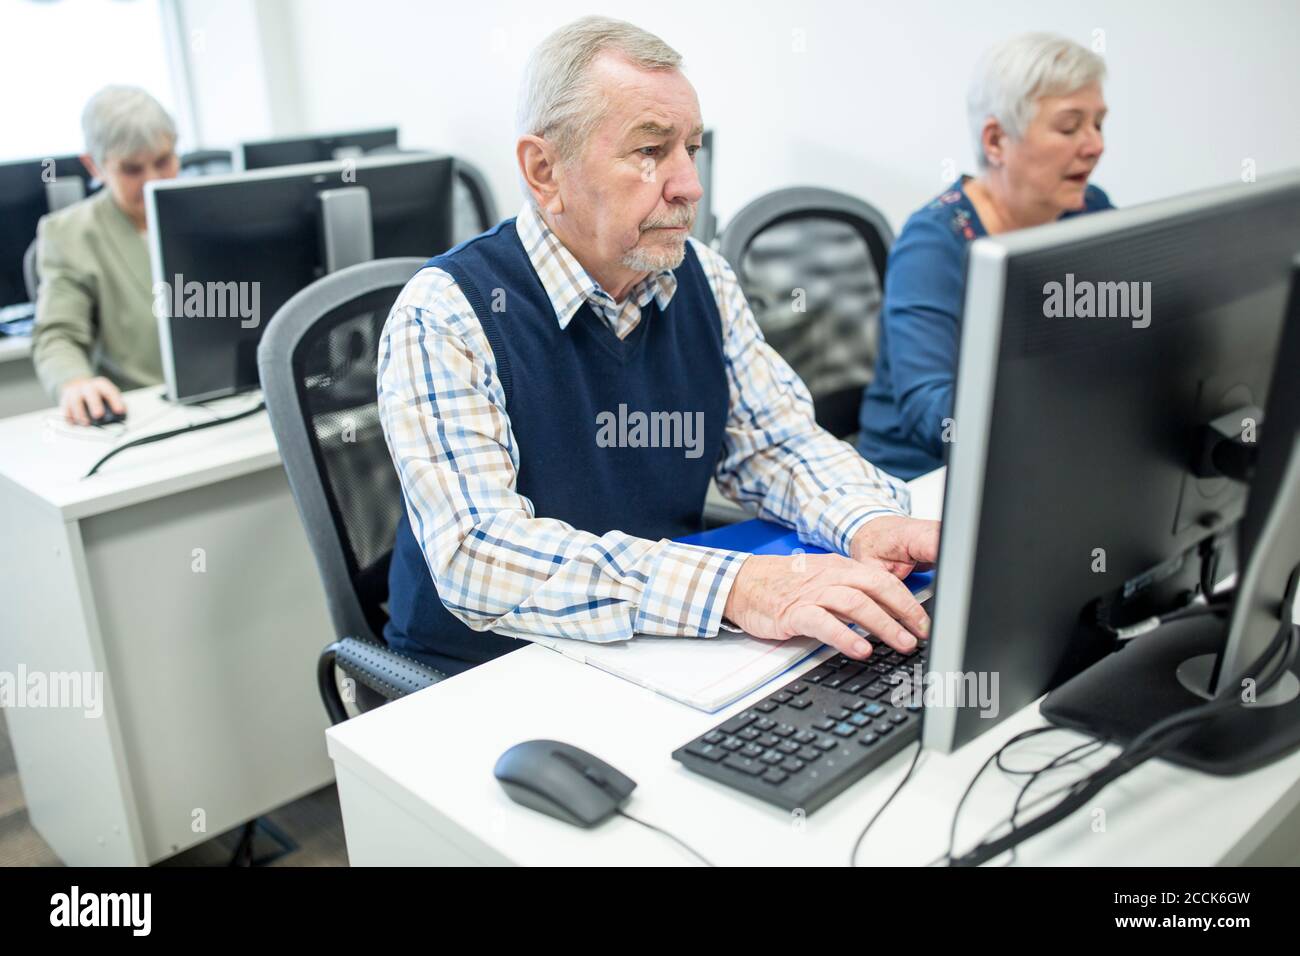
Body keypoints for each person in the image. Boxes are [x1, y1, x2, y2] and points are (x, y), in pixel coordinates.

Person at [377, 16, 940, 677]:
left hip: (648, 645)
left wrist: (868, 520)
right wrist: (737, 586)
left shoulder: (701, 277)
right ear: (543, 169)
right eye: (650, 151)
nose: (688, 185)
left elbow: (775, 444)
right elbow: (480, 556)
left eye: (691, 149)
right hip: (484, 676)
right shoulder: (445, 313)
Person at [858, 33, 1113, 480]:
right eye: (1070, 127)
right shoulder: (935, 242)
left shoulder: (1089, 210)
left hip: (1044, 458)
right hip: (924, 477)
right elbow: (930, 409)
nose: (1095, 146)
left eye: (1098, 124)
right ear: (996, 141)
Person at [32, 85, 179, 425]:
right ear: (94, 166)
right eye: (131, 169)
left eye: (163, 161)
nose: (152, 180)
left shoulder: (217, 211)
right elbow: (58, 335)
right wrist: (75, 382)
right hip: (146, 413)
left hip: (241, 401)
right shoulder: (70, 234)